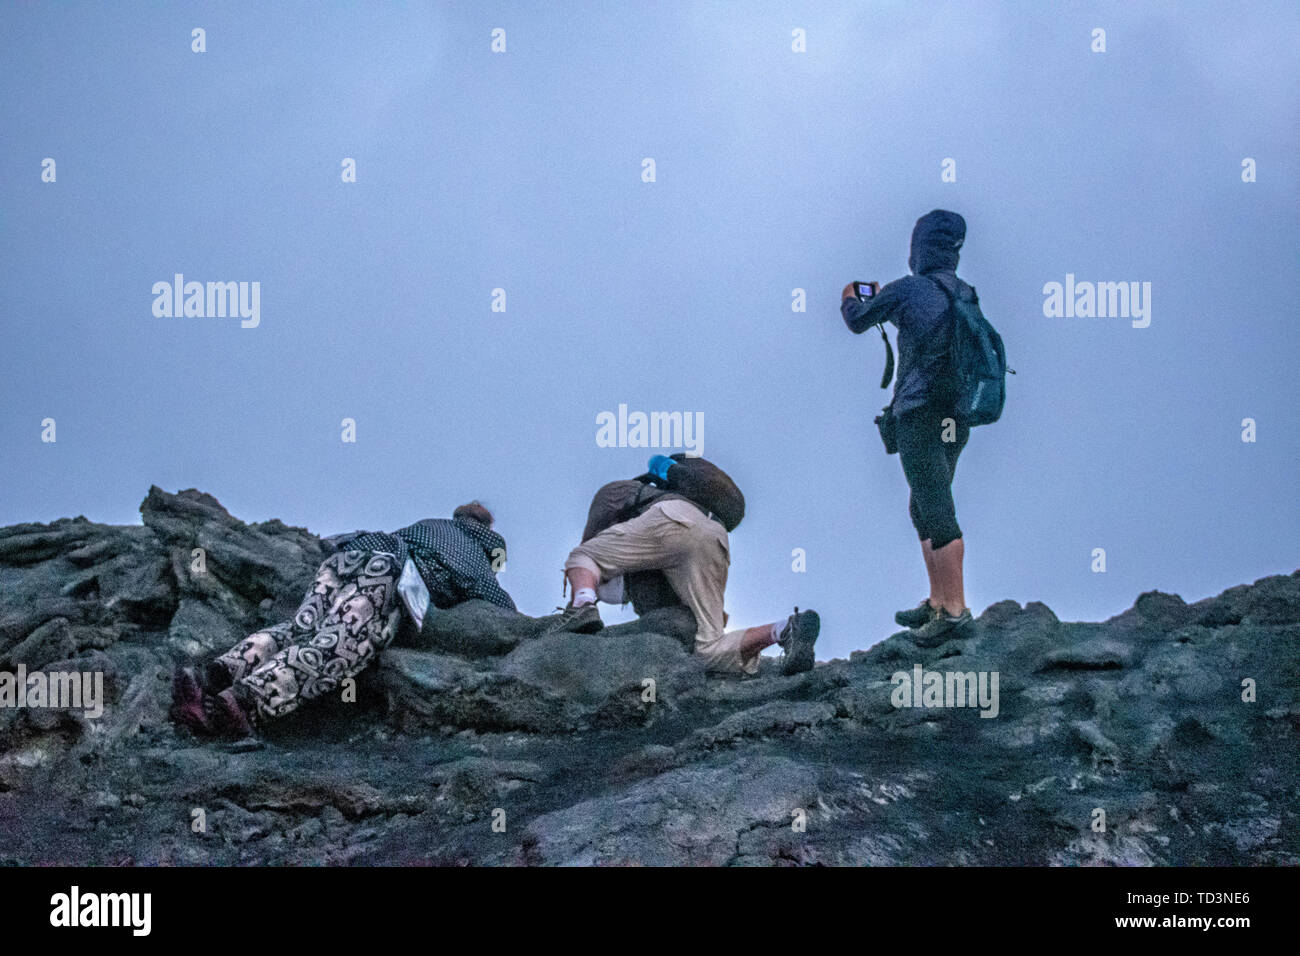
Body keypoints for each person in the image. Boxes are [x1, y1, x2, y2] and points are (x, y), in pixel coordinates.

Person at [171, 501, 513, 737]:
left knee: (299, 629)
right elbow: (493, 600)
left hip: (347, 559)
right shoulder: (477, 547)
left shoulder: (429, 525)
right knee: (339, 645)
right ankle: (244, 702)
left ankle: (213, 678)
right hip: (389, 576)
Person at [549, 455, 821, 676]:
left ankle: (581, 608)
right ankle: (785, 628)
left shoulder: (616, 492)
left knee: (582, 558)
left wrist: (588, 589)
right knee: (708, 648)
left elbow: (591, 550)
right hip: (716, 535)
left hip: (669, 520)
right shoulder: (686, 497)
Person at [841, 209, 976, 647]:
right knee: (925, 503)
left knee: (934, 503)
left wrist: (849, 296)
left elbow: (858, 319)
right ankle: (938, 600)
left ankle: (954, 610)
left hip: (920, 413)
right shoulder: (963, 293)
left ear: (919, 248)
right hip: (958, 415)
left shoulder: (910, 289)